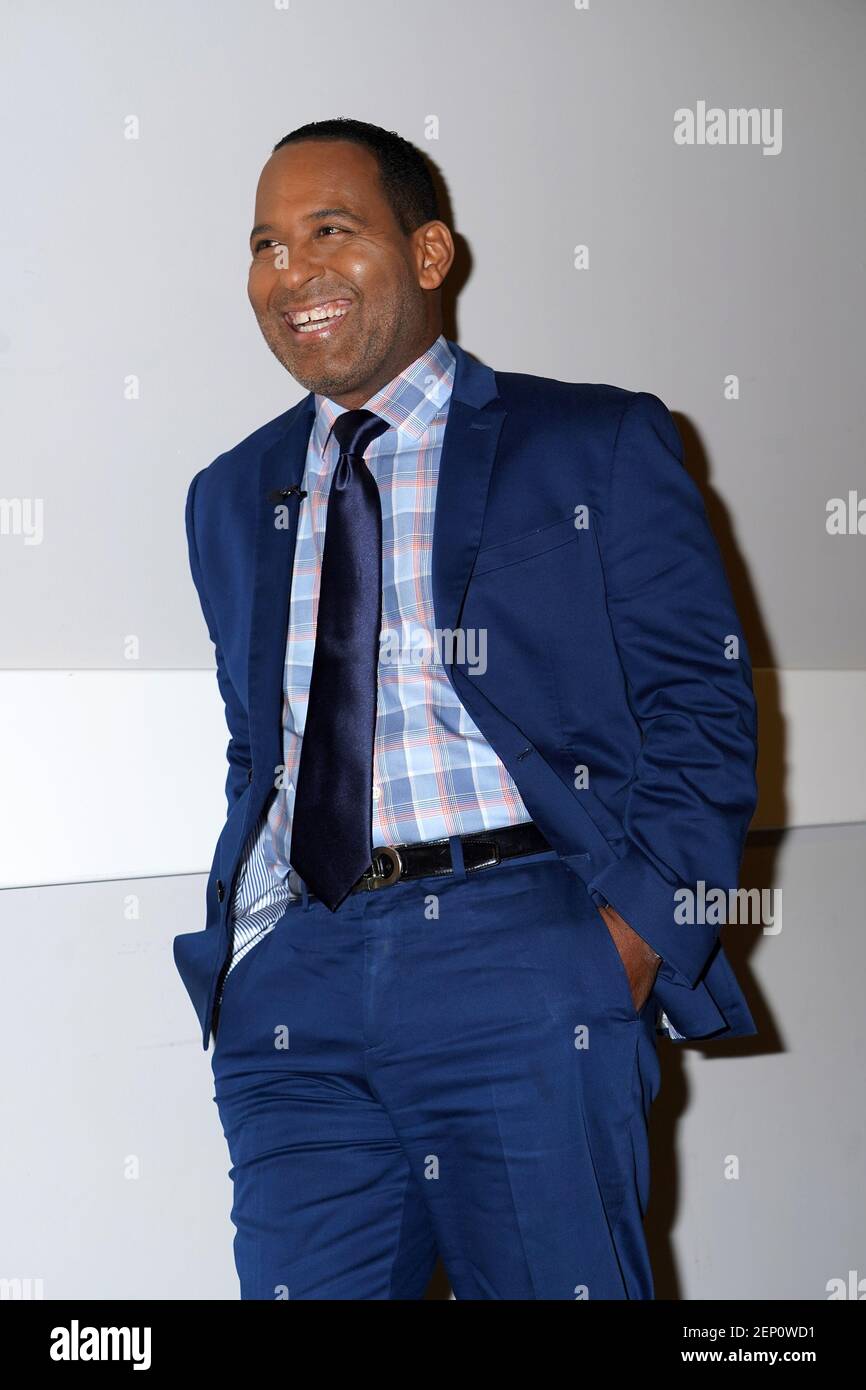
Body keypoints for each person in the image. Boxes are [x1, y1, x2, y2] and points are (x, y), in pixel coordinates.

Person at [174, 117, 759, 1300]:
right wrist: (252, 961)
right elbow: (262, 742)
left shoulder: (588, 443)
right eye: (265, 245)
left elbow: (702, 709)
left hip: (524, 954)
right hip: (297, 988)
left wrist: (628, 943)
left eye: (329, 231)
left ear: (429, 252)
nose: (291, 273)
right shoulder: (230, 494)